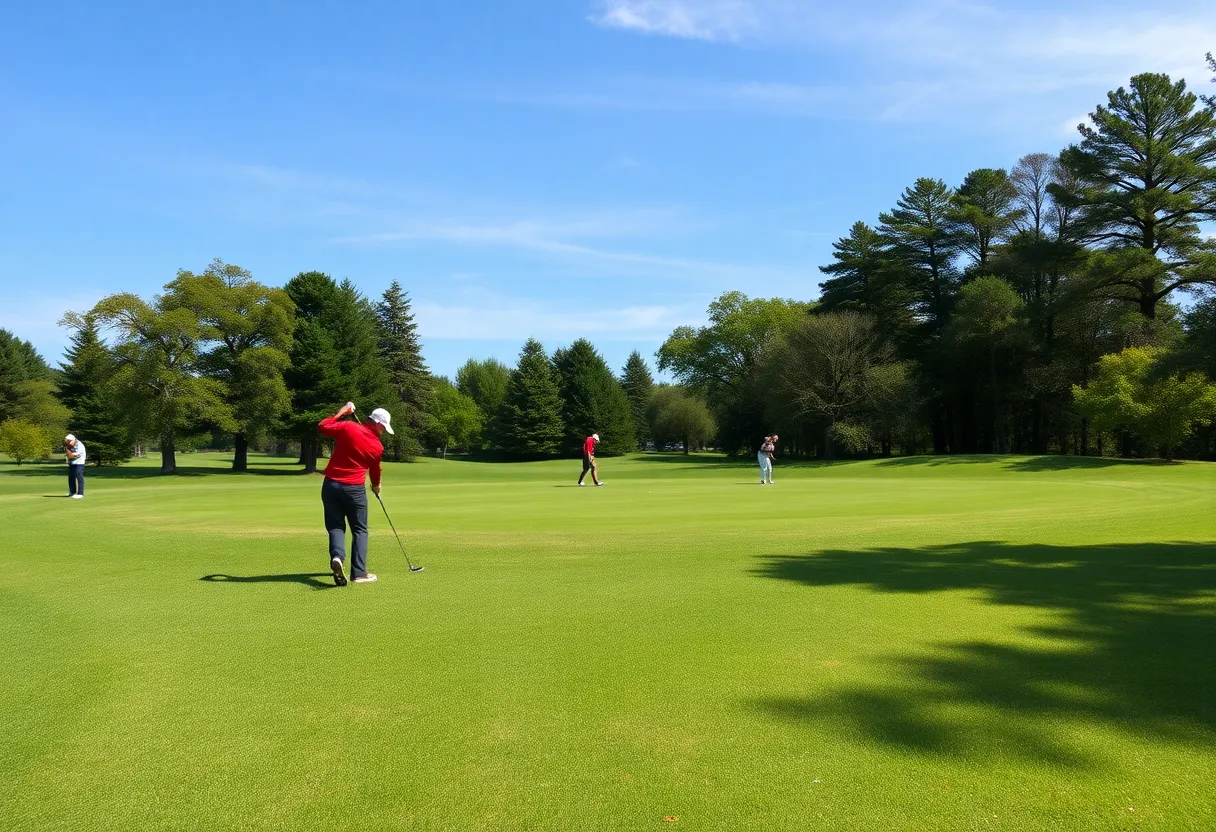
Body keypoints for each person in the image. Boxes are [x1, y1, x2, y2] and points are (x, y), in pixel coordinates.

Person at [317, 401, 393, 586]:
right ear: (376, 423)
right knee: (359, 530)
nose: (383, 431)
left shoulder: (348, 428)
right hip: (354, 490)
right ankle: (359, 573)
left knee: (335, 526)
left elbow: (323, 426)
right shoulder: (377, 447)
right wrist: (376, 486)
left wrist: (342, 411)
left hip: (331, 485)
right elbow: (375, 470)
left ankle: (337, 558)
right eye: (383, 427)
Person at [64, 434, 86, 498]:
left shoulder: (80, 445)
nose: (68, 443)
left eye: (69, 442)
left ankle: (80, 493)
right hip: (72, 463)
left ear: (73, 440)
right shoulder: (70, 446)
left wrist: (68, 453)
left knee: (79, 476)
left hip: (79, 463)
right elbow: (68, 455)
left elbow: (73, 455)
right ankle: (72, 492)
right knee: (71, 477)